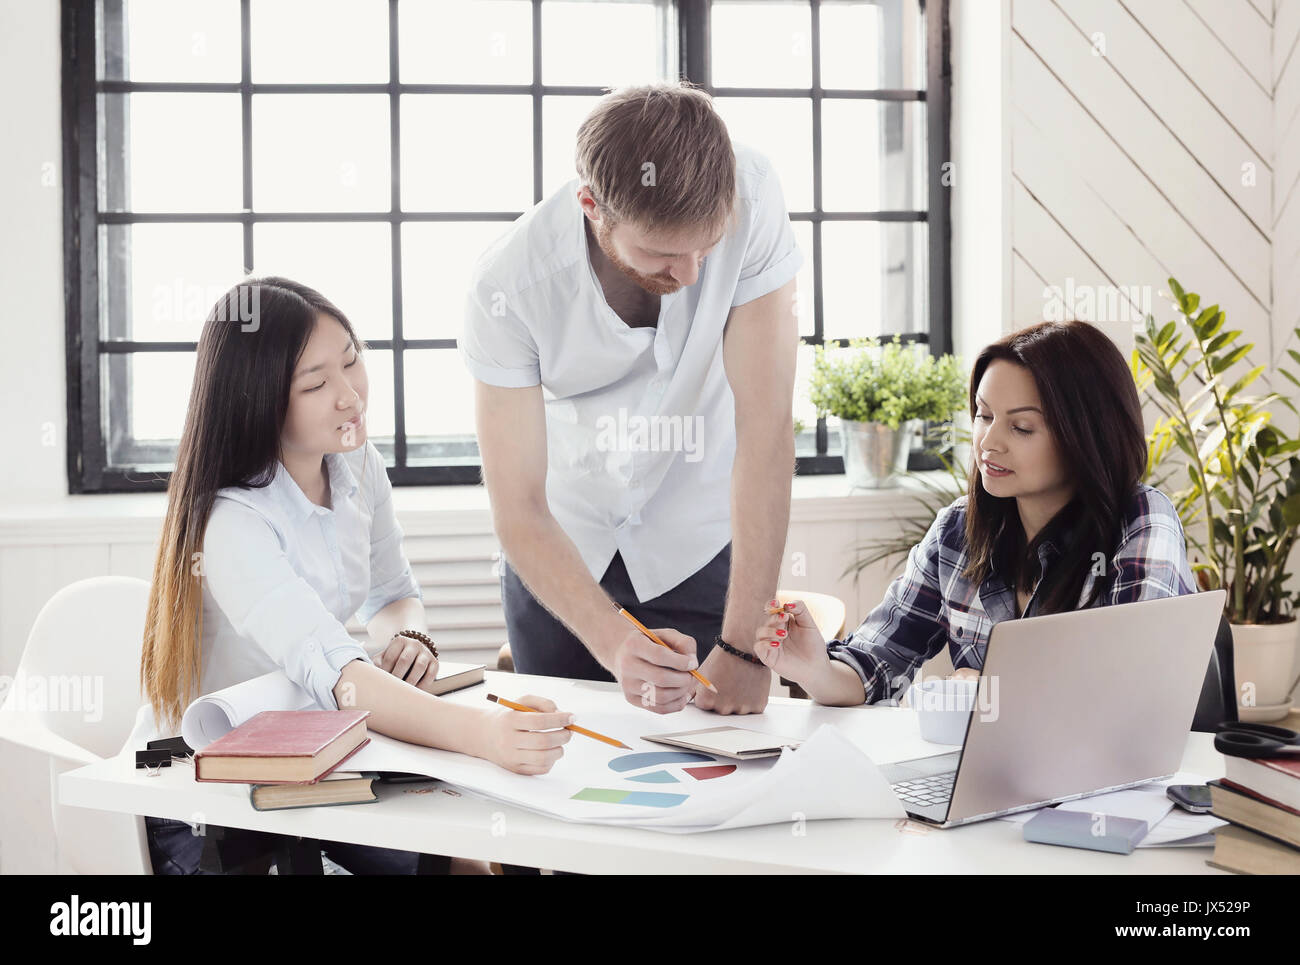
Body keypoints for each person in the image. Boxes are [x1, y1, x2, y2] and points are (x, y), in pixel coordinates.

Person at [135, 277, 572, 875]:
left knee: (466, 857)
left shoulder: (355, 463)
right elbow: (338, 673)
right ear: (257, 400)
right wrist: (485, 734)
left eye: (351, 361)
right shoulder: (231, 522)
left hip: (316, 750)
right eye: (316, 383)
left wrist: (407, 638)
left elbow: (394, 595)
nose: (350, 396)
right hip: (210, 788)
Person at [462, 81, 802, 717]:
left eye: (708, 246)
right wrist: (615, 643)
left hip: (698, 543)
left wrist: (747, 646)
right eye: (663, 253)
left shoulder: (753, 192)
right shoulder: (507, 286)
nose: (693, 275)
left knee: (716, 772)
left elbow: (766, 430)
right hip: (563, 553)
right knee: (570, 782)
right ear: (592, 205)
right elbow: (519, 508)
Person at [755, 320, 1199, 705]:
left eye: (1021, 427)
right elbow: (875, 664)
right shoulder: (957, 531)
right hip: (990, 781)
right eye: (983, 416)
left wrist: (993, 690)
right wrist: (813, 668)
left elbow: (1133, 691)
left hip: (1120, 786)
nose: (988, 442)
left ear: (1086, 433)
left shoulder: (1141, 521)